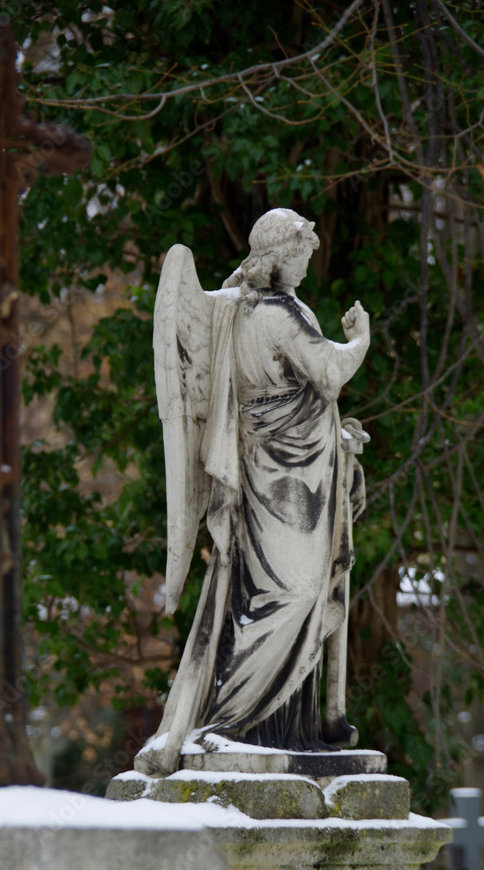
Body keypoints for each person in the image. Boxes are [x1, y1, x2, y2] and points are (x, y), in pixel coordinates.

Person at [135, 208, 370, 777]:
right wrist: (361, 336)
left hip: (296, 468)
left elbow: (299, 392)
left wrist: (335, 435)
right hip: (283, 478)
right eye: (301, 254)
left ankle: (283, 729)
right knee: (294, 592)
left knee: (280, 592)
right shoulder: (272, 313)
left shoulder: (248, 310)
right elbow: (329, 371)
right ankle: (233, 719)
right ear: (278, 256)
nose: (307, 265)